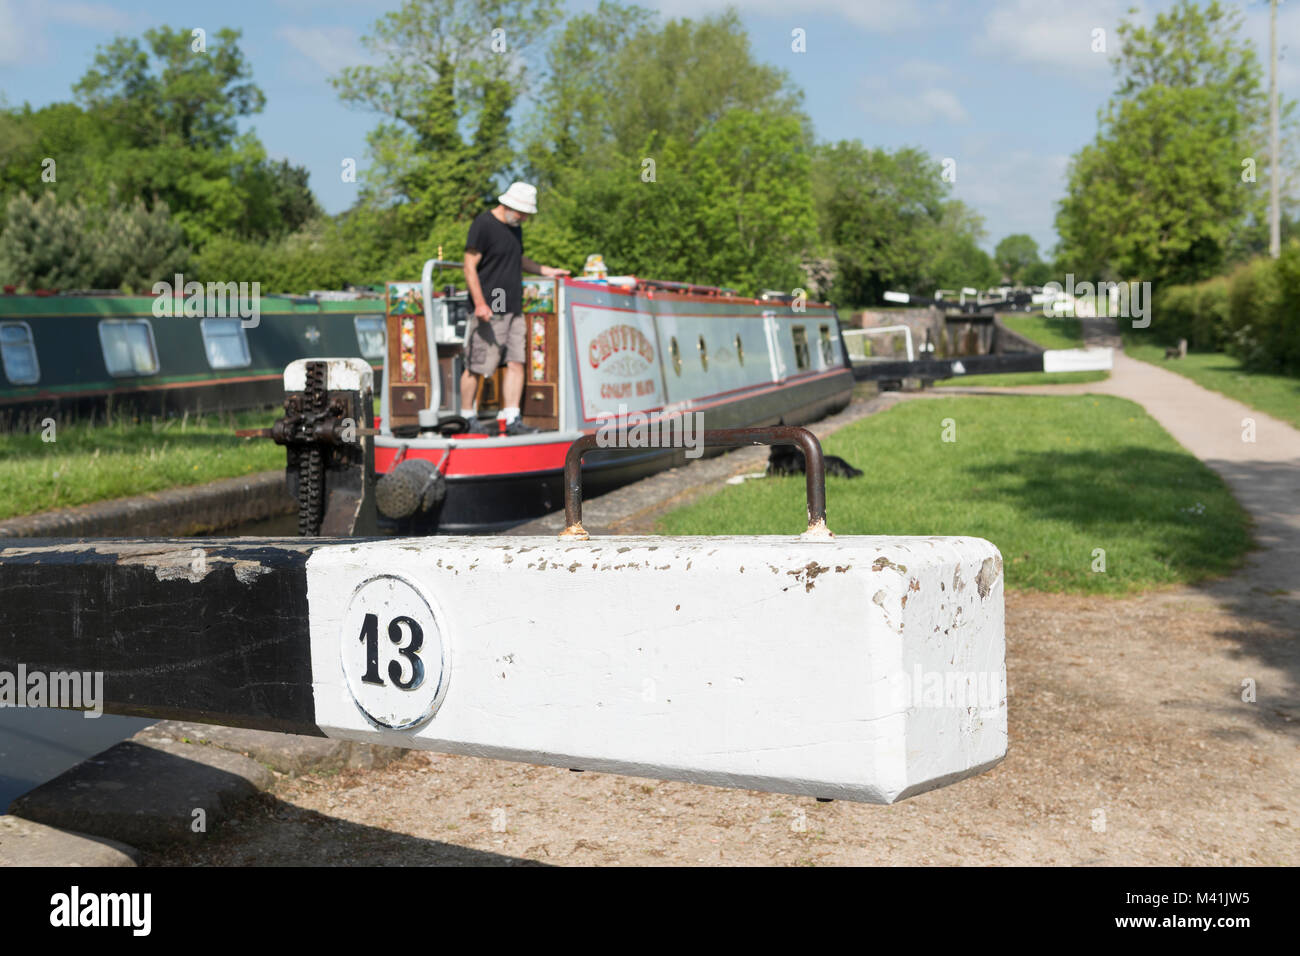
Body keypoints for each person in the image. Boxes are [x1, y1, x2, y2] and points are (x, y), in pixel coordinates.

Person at [461, 182, 569, 435]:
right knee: (478, 363)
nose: (523, 218)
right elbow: (469, 266)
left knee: (516, 362)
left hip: (513, 305)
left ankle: (512, 420)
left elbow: (518, 259)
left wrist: (547, 271)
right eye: (522, 212)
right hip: (490, 305)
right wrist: (479, 303)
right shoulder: (483, 224)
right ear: (508, 205)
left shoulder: (515, 229)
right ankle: (467, 417)